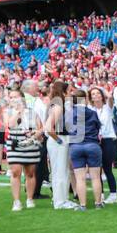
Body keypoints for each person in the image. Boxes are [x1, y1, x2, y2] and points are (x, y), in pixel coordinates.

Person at [66, 87, 105, 210]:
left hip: (76, 146)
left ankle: (83, 205)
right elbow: (98, 127)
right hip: (92, 145)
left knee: (80, 178)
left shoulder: (70, 113)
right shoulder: (92, 112)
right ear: (85, 99)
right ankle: (98, 203)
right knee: (95, 177)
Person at [4, 87, 42, 211]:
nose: (13, 99)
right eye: (11, 97)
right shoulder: (8, 111)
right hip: (15, 143)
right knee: (15, 172)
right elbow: (9, 125)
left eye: (16, 97)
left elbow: (40, 127)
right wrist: (17, 112)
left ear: (22, 98)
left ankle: (30, 198)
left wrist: (35, 134)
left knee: (30, 172)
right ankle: (16, 201)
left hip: (30, 144)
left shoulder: (32, 112)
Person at [42, 80, 77, 211]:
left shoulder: (55, 104)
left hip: (58, 139)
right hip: (59, 139)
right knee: (60, 171)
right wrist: (59, 140)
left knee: (60, 170)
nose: (71, 93)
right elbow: (48, 128)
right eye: (69, 91)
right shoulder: (58, 105)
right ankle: (60, 201)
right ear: (63, 91)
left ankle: (60, 198)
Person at [91, 86, 117, 204]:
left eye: (98, 93)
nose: (96, 96)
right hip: (95, 140)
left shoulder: (107, 107)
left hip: (107, 139)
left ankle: (113, 194)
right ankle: (101, 194)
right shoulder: (90, 109)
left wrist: (101, 88)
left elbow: (110, 98)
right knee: (97, 169)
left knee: (107, 168)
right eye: (93, 94)